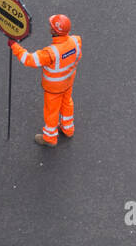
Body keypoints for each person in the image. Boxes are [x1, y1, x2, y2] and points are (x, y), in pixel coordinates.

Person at [10, 14, 83, 147]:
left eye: (51, 25)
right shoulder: (76, 41)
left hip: (53, 89)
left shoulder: (50, 53)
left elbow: (29, 60)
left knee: (51, 112)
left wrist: (14, 46)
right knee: (67, 103)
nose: (49, 26)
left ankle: (50, 138)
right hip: (68, 83)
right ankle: (68, 129)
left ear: (55, 31)